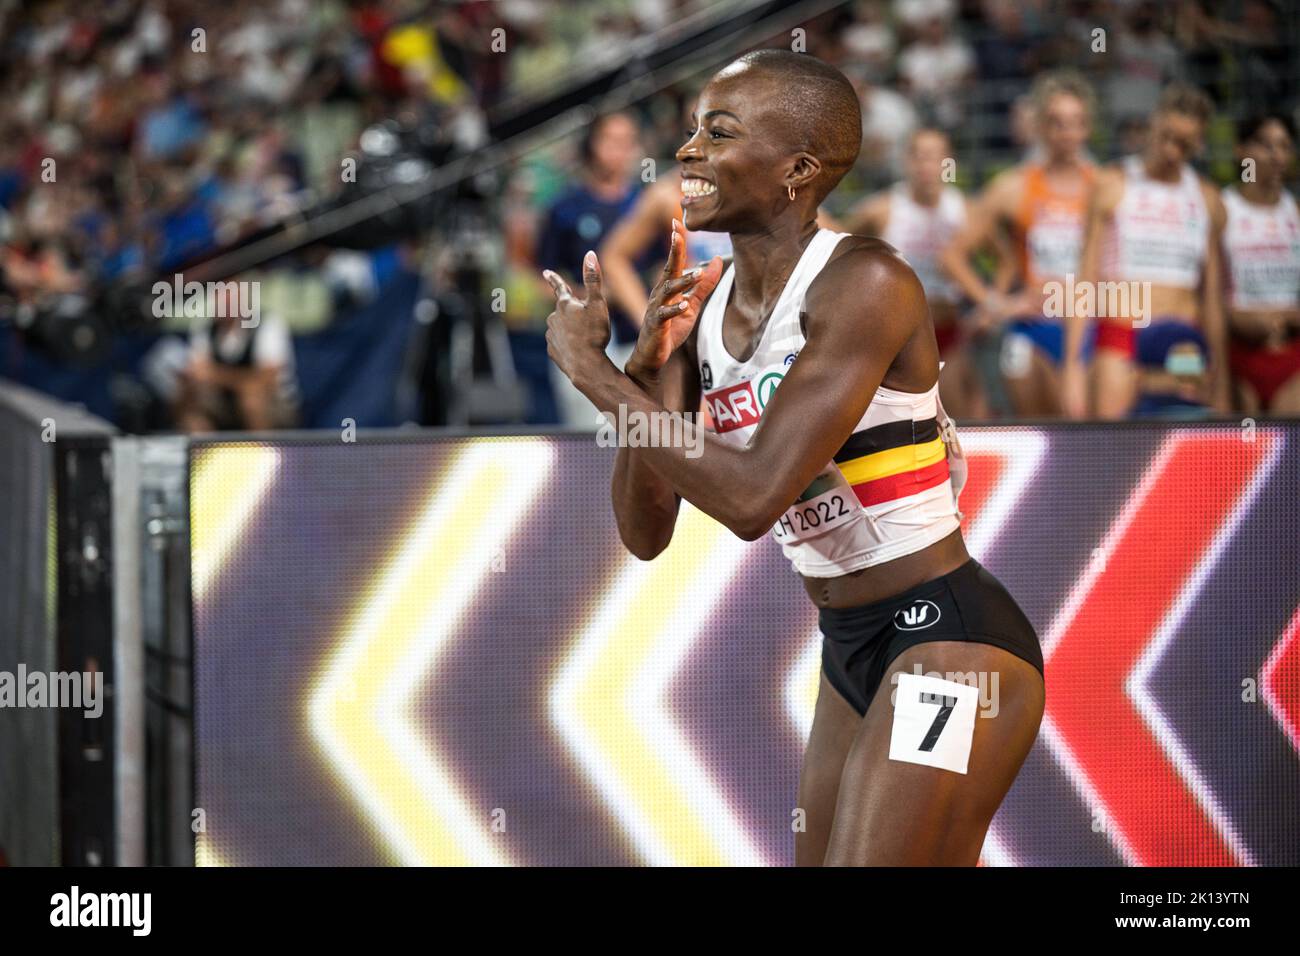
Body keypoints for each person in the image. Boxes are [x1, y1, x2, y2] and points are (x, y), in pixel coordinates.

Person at [543, 49, 1044, 866]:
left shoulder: (866, 283)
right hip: (851, 647)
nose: (687, 150)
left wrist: (591, 375)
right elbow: (645, 530)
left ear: (797, 171)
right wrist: (640, 369)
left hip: (951, 646)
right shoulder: (696, 317)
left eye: (720, 132)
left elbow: (752, 500)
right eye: (693, 129)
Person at [940, 70, 1096, 417]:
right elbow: (952, 256)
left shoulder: (1103, 187)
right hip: (1037, 328)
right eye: (1056, 122)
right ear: (1040, 126)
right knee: (1043, 418)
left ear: (1088, 127)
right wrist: (996, 303)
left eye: (1076, 122)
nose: (1067, 133)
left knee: (1082, 421)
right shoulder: (1015, 186)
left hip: (1090, 323)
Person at [1067, 83, 1228, 419]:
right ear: (1152, 126)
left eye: (1183, 144)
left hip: (1180, 337)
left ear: (1198, 144)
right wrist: (1073, 368)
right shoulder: (1112, 182)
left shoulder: (1207, 199)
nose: (1171, 151)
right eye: (1165, 136)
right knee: (1112, 444)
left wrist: (1221, 374)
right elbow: (1086, 278)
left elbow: (1212, 297)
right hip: (1121, 331)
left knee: (1183, 437)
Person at [844, 127, 990, 417]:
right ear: (907, 162)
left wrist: (989, 305)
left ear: (948, 163)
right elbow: (839, 245)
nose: (926, 166)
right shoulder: (882, 209)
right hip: (898, 337)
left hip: (950, 331)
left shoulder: (964, 209)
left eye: (935, 157)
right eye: (919, 157)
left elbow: (1006, 256)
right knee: (911, 420)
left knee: (966, 413)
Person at [535, 111, 662, 427]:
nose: (619, 151)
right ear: (592, 145)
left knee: (644, 434)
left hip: (639, 337)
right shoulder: (566, 207)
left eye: (627, 142)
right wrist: (584, 298)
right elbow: (543, 274)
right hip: (589, 341)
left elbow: (665, 264)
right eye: (611, 140)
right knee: (590, 433)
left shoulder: (646, 202)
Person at [1222, 113, 1300, 414]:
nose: (1277, 156)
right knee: (1244, 444)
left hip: (1289, 355)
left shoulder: (1294, 213)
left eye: (1284, 146)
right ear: (1241, 151)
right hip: (1237, 356)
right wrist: (1237, 318)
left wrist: (1286, 317)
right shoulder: (1223, 209)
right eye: (1266, 145)